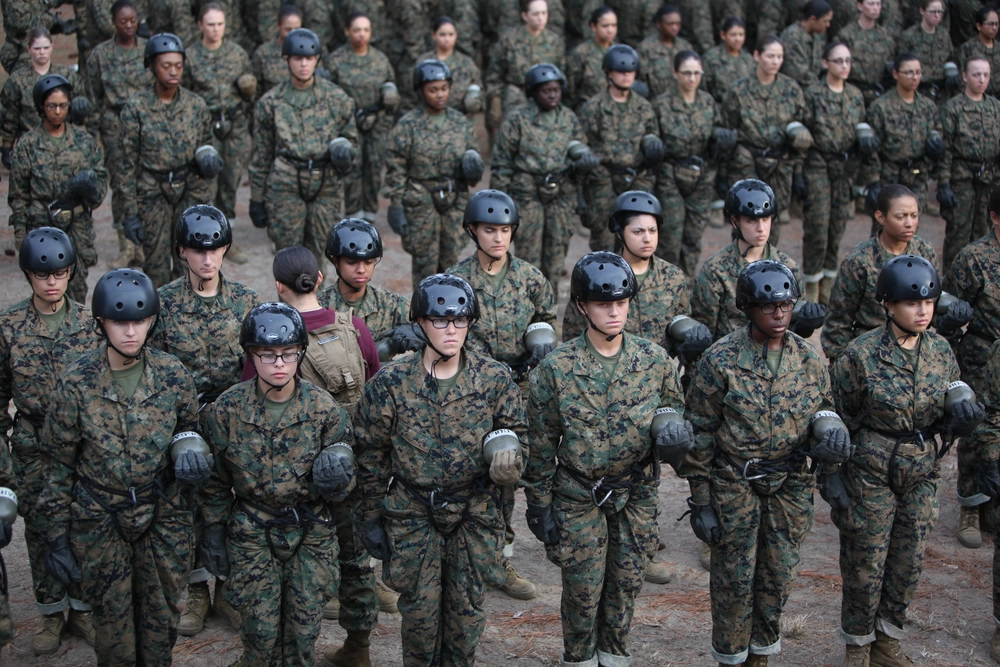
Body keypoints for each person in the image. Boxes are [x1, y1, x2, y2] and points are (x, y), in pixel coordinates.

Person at [523, 251, 688, 667]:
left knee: (625, 589)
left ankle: (614, 658)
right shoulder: (557, 369)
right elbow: (541, 447)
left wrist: (674, 437)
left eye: (621, 302)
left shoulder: (654, 362)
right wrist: (539, 509)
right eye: (603, 303)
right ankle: (578, 659)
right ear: (582, 306)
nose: (614, 312)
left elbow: (673, 414)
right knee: (581, 594)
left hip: (635, 495)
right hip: (579, 496)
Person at [353, 273, 526, 666]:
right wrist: (369, 518)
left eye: (460, 320)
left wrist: (510, 463)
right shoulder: (391, 383)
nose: (452, 330)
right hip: (414, 514)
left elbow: (520, 439)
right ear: (420, 323)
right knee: (419, 620)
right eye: (440, 321)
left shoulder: (494, 379)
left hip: (474, 513)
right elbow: (371, 456)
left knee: (466, 618)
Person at [37, 267, 200, 666]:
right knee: (113, 631)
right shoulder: (77, 382)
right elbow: (58, 467)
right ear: (100, 323)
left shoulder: (172, 375)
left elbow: (189, 431)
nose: (131, 332)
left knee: (161, 623)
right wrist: (55, 538)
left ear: (152, 321)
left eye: (140, 321)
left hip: (160, 515)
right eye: (120, 322)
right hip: (100, 518)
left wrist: (192, 456)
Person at [682, 259, 840, 667]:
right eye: (769, 307)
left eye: (786, 306)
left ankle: (761, 656)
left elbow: (823, 408)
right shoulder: (720, 360)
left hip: (790, 485)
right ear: (747, 308)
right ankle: (731, 657)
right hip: (736, 483)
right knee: (734, 581)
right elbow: (699, 432)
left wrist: (829, 446)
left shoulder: (808, 360)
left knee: (778, 576)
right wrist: (700, 500)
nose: (779, 314)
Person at [830, 255, 981, 666]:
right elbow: (836, 418)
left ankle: (887, 640)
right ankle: (858, 646)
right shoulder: (860, 355)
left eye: (929, 302)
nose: (923, 310)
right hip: (871, 472)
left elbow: (948, 401)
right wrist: (833, 479)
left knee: (907, 563)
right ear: (888, 305)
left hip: (921, 471)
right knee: (865, 565)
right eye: (912, 303)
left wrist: (960, 418)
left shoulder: (939, 350)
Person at [202, 302, 355, 666]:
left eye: (288, 354)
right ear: (251, 356)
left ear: (301, 354)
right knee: (259, 631)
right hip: (253, 530)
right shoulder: (227, 410)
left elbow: (348, 481)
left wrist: (339, 480)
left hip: (311, 531)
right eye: (267, 355)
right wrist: (212, 531)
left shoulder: (323, 409)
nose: (279, 364)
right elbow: (215, 482)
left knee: (303, 633)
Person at [150, 205, 257, 636]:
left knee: (234, 504)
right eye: (197, 250)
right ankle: (196, 589)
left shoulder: (246, 302)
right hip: (183, 420)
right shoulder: (163, 303)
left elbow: (256, 367)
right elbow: (155, 366)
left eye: (214, 249)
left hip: (231, 420)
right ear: (182, 251)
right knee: (185, 504)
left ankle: (229, 589)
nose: (207, 259)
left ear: (226, 249)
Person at [445, 191, 554, 601]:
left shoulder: (529, 277)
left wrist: (542, 336)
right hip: (473, 391)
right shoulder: (457, 280)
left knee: (509, 470)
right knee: (472, 471)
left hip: (520, 388)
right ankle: (467, 554)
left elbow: (545, 314)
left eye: (505, 230)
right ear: (472, 230)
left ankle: (500, 557)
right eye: (489, 230)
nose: (498, 238)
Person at [0, 228, 101, 655]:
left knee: (83, 523)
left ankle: (81, 609)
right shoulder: (10, 326)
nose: (52, 282)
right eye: (43, 275)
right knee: (40, 529)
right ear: (28, 275)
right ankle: (50, 612)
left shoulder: (89, 321)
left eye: (60, 273)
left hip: (80, 440)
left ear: (71, 272)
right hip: (32, 441)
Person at [248, 27, 358, 265]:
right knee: (288, 255)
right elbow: (262, 154)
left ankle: (316, 303)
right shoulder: (271, 102)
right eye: (298, 58)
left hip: (326, 181)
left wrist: (345, 153)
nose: (304, 64)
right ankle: (288, 304)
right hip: (286, 181)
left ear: (317, 59)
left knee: (323, 253)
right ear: (286, 59)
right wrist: (256, 197)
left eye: (309, 58)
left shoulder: (337, 99)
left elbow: (353, 142)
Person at [119, 33, 218, 288]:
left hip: (190, 189)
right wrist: (130, 213)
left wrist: (210, 163)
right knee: (156, 264)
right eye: (166, 66)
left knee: (193, 261)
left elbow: (208, 146)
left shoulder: (196, 105)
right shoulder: (136, 108)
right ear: (151, 66)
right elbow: (126, 164)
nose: (173, 71)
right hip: (153, 193)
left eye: (178, 65)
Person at [491, 63, 592, 295]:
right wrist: (499, 206)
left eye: (556, 89)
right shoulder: (518, 118)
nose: (553, 94)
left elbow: (579, 154)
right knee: (528, 255)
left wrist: (582, 167)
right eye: (546, 90)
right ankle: (526, 306)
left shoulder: (568, 118)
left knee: (556, 255)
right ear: (533, 92)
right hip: (527, 194)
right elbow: (502, 163)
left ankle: (549, 307)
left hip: (561, 194)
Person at [382, 59, 483, 287]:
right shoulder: (408, 125)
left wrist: (473, 165)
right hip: (420, 199)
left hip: (454, 198)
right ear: (420, 91)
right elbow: (396, 167)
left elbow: (473, 157)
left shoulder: (460, 122)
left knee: (451, 260)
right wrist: (396, 203)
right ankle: (423, 313)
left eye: (444, 88)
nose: (440, 95)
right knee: (424, 261)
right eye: (433, 90)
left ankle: (450, 314)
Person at [8, 74, 107, 303]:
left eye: (63, 105)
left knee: (78, 286)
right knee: (45, 288)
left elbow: (100, 185)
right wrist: (21, 236)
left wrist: (91, 189)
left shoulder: (83, 141)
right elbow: (19, 195)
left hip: (76, 224)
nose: (58, 111)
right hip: (41, 223)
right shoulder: (28, 145)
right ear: (42, 107)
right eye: (52, 106)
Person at [692, 180, 822, 343]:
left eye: (766, 218)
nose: (761, 228)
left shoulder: (787, 267)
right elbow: (703, 333)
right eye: (751, 221)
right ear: (735, 221)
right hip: (730, 361)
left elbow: (793, 331)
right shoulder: (716, 270)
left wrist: (806, 323)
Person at [822, 184, 941, 363]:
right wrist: (843, 367)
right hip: (870, 356)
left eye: (914, 216)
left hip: (914, 351)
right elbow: (838, 321)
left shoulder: (924, 254)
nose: (909, 223)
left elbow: (935, 305)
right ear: (881, 217)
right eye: (901, 216)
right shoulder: (860, 260)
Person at [945, 186, 1000, 549]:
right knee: (977, 432)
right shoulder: (975, 257)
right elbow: (947, 310)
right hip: (982, 357)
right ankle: (970, 507)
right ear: (995, 217)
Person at [183, 2, 256, 265]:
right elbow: (185, 95)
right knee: (206, 185)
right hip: (206, 128)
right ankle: (205, 240)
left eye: (220, 24)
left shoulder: (237, 54)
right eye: (211, 24)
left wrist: (248, 89)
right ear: (201, 25)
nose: (216, 29)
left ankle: (227, 240)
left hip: (233, 126)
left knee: (230, 182)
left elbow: (250, 93)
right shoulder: (190, 56)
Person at [800, 41, 868, 306]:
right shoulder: (814, 94)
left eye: (848, 61)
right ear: (825, 63)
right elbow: (803, 129)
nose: (844, 66)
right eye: (838, 60)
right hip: (818, 164)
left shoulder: (855, 95)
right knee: (817, 226)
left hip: (845, 167)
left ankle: (828, 280)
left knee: (837, 226)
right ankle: (812, 283)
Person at [723, 35, 808, 246]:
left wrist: (797, 169)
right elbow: (729, 126)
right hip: (747, 161)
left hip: (779, 163)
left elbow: (800, 127)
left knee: (772, 222)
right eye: (770, 56)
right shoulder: (739, 90)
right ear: (757, 56)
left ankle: (768, 270)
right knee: (744, 219)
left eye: (779, 56)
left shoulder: (791, 89)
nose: (775, 61)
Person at [577, 44, 663, 253]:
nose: (626, 76)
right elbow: (581, 143)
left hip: (636, 177)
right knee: (603, 238)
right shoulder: (593, 108)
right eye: (620, 71)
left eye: (630, 72)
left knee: (638, 239)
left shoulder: (643, 108)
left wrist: (653, 145)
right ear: (609, 73)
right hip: (603, 178)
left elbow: (652, 135)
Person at [652, 50, 730, 277]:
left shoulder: (707, 102)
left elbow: (715, 127)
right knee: (671, 235)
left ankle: (685, 283)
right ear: (675, 73)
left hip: (702, 175)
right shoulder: (662, 104)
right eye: (686, 73)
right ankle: (666, 284)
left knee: (694, 235)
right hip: (671, 174)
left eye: (697, 73)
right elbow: (652, 134)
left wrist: (721, 135)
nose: (692, 79)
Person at [86, 0, 150, 270]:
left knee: (144, 181)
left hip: (144, 123)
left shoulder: (148, 51)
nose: (128, 25)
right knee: (121, 183)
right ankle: (125, 245)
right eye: (123, 21)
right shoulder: (100, 55)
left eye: (132, 20)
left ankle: (142, 244)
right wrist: (94, 131)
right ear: (113, 22)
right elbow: (93, 95)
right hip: (114, 125)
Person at [325, 12, 397, 222]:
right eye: (356, 30)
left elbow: (390, 92)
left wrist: (383, 107)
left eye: (366, 30)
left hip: (376, 125)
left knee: (374, 170)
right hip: (348, 124)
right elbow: (329, 94)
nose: (361, 35)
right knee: (352, 171)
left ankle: (370, 215)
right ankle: (353, 215)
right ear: (347, 31)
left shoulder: (380, 60)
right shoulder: (337, 60)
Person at [938, 56, 1000, 273]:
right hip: (961, 178)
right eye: (976, 74)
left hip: (990, 179)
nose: (981, 79)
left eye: (986, 74)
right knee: (958, 232)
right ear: (964, 76)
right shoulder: (953, 108)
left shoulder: (995, 107)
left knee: (985, 231)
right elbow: (945, 148)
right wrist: (943, 183)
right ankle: (950, 287)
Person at [864, 52, 943, 212]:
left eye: (918, 72)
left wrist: (936, 150)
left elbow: (937, 135)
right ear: (895, 74)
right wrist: (873, 181)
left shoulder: (928, 107)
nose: (914, 77)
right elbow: (872, 150)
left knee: (911, 229)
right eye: (908, 72)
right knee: (885, 229)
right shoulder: (881, 107)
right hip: (889, 176)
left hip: (917, 176)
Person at [318, 218, 413, 350]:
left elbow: (431, 324)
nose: (361, 270)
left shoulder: (390, 305)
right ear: (335, 261)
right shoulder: (319, 306)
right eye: (351, 262)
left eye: (368, 262)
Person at [0, 27, 88, 167]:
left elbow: (82, 105)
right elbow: (10, 117)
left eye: (46, 47)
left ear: (52, 47)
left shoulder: (67, 77)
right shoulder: (17, 80)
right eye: (37, 48)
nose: (42, 52)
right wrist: (6, 147)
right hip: (31, 148)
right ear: (29, 49)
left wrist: (81, 110)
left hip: (64, 146)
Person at [485, 0, 565, 142]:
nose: (540, 18)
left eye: (544, 13)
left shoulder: (554, 42)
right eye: (535, 14)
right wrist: (495, 102)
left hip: (546, 96)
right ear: (525, 16)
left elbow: (561, 73)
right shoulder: (510, 40)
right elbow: (495, 74)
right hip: (516, 95)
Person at [417, 16, 484, 117]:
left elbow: (478, 88)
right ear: (434, 35)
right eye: (442, 34)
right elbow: (414, 94)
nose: (447, 39)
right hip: (428, 119)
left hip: (460, 121)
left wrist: (473, 100)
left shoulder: (467, 63)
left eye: (451, 34)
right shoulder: (424, 62)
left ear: (456, 35)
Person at [839, 0, 899, 106]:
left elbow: (890, 64)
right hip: (853, 94)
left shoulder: (886, 36)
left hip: (880, 94)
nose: (875, 8)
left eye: (878, 4)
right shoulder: (846, 35)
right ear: (860, 6)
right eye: (871, 4)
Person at [898, 0, 957, 104]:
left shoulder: (944, 36)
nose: (937, 15)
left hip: (941, 93)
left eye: (940, 12)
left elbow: (950, 58)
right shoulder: (909, 36)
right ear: (922, 11)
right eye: (933, 12)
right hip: (918, 91)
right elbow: (901, 64)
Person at [0, 0, 74, 74]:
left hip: (31, 50)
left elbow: (38, 4)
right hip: (20, 52)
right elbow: (20, 21)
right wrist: (52, 22)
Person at [637, 4, 693, 99]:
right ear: (659, 24)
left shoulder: (685, 47)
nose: (675, 28)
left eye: (678, 24)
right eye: (670, 24)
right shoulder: (646, 48)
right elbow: (640, 80)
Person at [566, 6, 617, 110]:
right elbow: (571, 89)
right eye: (605, 26)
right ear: (594, 27)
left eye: (614, 25)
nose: (610, 30)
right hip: (589, 110)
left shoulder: (619, 52)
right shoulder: (581, 53)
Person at [251, 4, 303, 99]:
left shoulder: (308, 51)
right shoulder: (263, 54)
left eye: (297, 29)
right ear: (278, 26)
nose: (292, 33)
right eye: (288, 29)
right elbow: (256, 92)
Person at [701, 17, 757, 106]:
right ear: (723, 35)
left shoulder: (749, 60)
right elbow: (704, 89)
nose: (738, 39)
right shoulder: (711, 59)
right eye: (733, 35)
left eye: (741, 35)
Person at [779, 0, 833, 88]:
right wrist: (820, 86)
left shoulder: (815, 36)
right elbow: (797, 72)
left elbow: (818, 65)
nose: (828, 25)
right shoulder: (792, 36)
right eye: (825, 21)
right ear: (813, 19)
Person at [958, 7, 1000, 99]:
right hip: (978, 98)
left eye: (997, 24)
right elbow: (962, 78)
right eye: (990, 24)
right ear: (979, 26)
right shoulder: (968, 48)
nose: (994, 28)